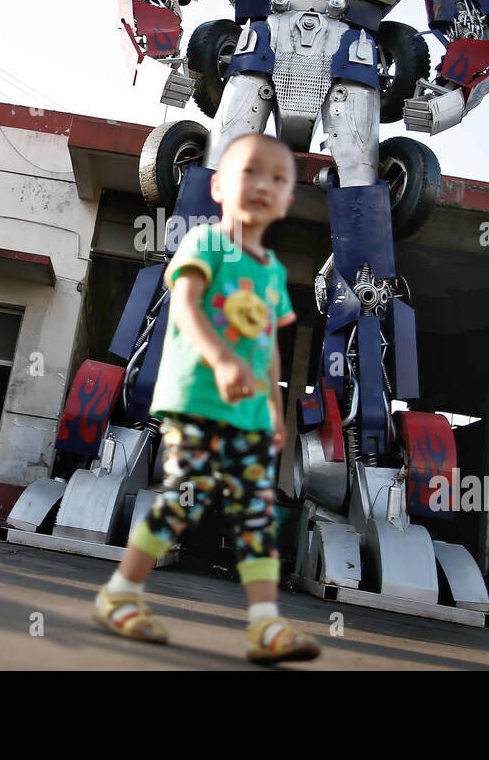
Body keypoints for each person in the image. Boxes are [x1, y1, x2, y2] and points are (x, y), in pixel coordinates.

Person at [92, 133, 321, 663]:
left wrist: (272, 405)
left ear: (287, 200)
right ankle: (121, 593)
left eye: (278, 179)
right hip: (195, 399)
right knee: (180, 499)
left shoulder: (270, 272)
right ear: (218, 186)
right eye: (250, 173)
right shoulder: (206, 244)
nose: (264, 186)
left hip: (246, 414)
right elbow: (188, 308)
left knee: (256, 513)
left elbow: (267, 346)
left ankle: (266, 625)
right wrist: (221, 360)